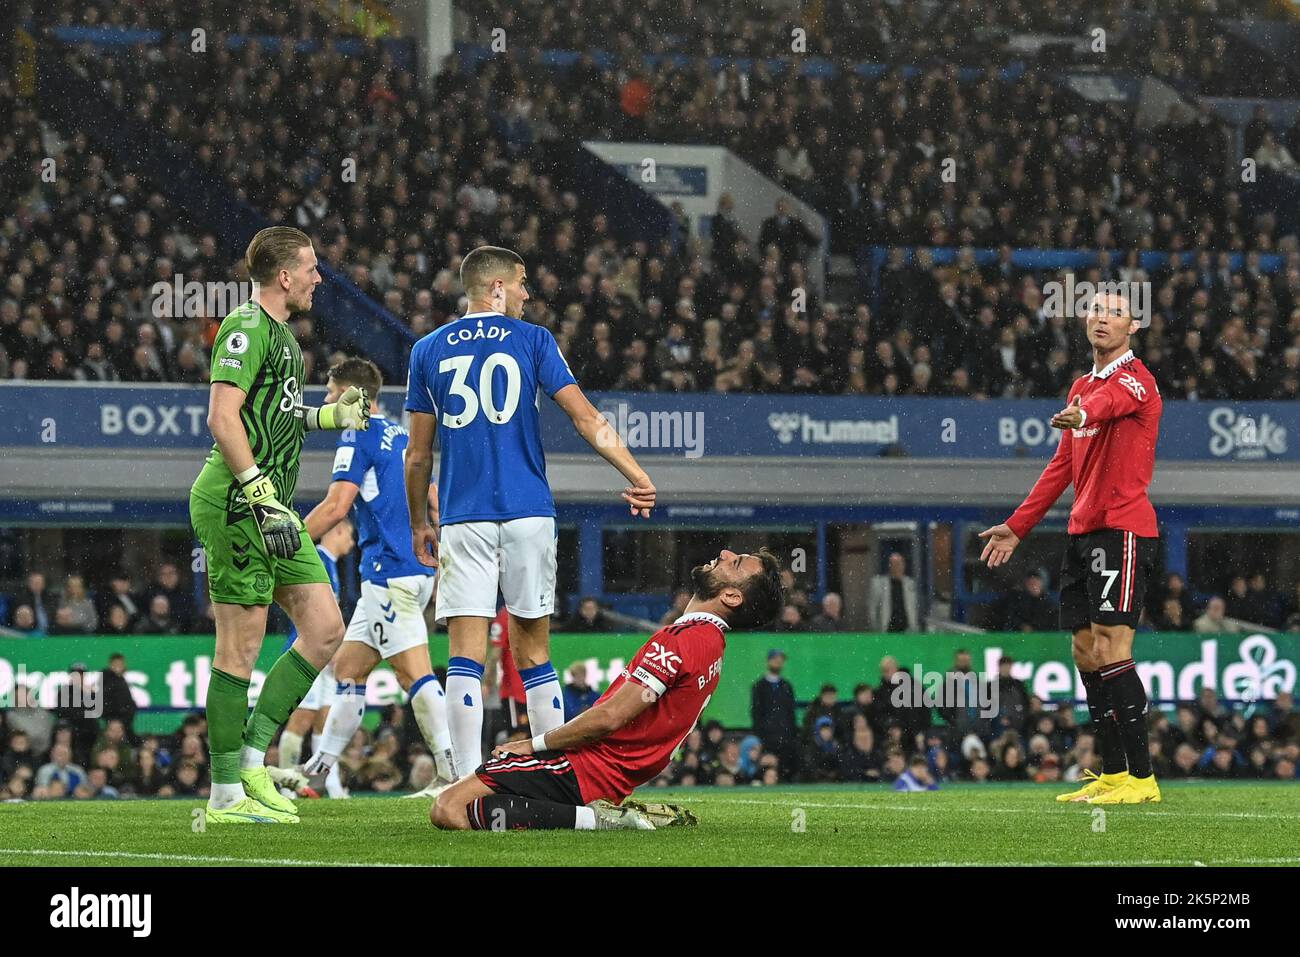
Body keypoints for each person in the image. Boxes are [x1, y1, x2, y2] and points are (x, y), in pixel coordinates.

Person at [404, 245, 657, 779]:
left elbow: (418, 455)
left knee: (466, 655)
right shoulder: (534, 341)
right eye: (520, 283)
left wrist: (418, 522)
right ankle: (553, 774)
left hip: (463, 515)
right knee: (534, 653)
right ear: (495, 287)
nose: (526, 293)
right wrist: (635, 474)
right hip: (527, 513)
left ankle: (467, 784)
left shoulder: (426, 349)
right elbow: (587, 419)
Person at [188, 226, 371, 825]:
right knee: (238, 648)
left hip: (272, 507)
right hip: (242, 502)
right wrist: (261, 494)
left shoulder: (282, 338)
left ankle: (249, 761)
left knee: (323, 629)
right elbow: (222, 417)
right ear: (285, 276)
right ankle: (222, 798)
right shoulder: (244, 327)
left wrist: (329, 414)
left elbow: (279, 411)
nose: (320, 277)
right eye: (312, 269)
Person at [430, 548, 783, 831]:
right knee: (481, 804)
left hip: (586, 767)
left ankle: (600, 820)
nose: (723, 553)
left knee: (448, 808)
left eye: (734, 563)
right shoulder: (710, 644)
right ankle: (587, 814)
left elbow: (611, 718)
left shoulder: (682, 641)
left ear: (732, 597)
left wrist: (532, 744)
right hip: (607, 775)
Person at [980, 291, 1164, 805]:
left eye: (1115, 313)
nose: (1102, 318)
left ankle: (1143, 779)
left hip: (1122, 530)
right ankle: (1114, 772)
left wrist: (1082, 416)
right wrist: (1019, 525)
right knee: (1085, 651)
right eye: (1096, 311)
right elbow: (1062, 467)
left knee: (1112, 646)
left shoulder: (1136, 381)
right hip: (1083, 534)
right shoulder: (1081, 384)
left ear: (1133, 328)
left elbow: (1106, 407)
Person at [301, 358, 457, 799]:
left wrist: (288, 544)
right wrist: (440, 556)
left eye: (332, 393)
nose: (328, 403)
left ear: (353, 394)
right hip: (409, 570)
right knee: (350, 670)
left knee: (414, 675)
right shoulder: (401, 435)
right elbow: (432, 497)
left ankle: (453, 773)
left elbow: (335, 507)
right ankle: (319, 773)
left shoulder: (358, 433)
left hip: (389, 572)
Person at [276, 518, 355, 798]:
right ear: (338, 530)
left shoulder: (329, 563)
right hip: (306, 651)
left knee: (324, 719)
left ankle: (332, 786)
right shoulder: (318, 560)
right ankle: (286, 789)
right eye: (350, 534)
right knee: (301, 719)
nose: (353, 541)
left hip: (322, 655)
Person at [750, 648, 799, 777]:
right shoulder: (759, 686)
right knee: (768, 770)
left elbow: (791, 712)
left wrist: (791, 734)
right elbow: (756, 713)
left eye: (780, 660)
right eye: (775, 659)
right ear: (768, 661)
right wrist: (760, 735)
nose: (778, 662)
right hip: (767, 737)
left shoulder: (787, 686)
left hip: (785, 738)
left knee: (785, 771)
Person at [867, 553, 919, 632]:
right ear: (889, 566)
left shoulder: (910, 584)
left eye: (899, 563)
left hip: (907, 629)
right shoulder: (878, 583)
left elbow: (914, 607)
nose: (897, 567)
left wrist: (915, 626)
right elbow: (872, 609)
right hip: (887, 629)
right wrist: (875, 628)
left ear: (904, 565)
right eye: (894, 564)